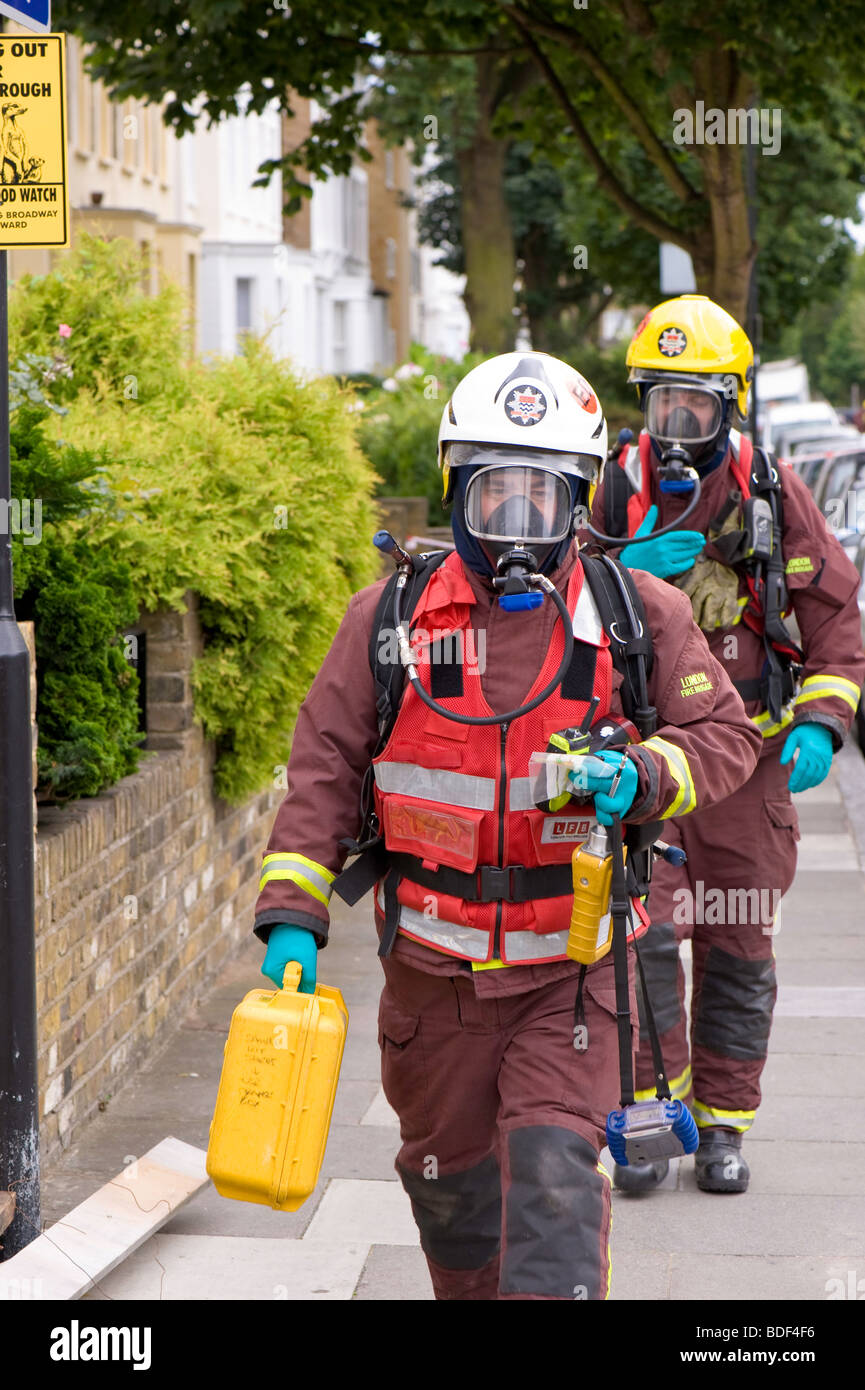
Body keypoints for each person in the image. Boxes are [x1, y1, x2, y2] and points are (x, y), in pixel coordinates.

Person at [252, 351, 762, 1300]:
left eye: (542, 499)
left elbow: (722, 736)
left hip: (569, 981)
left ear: (578, 504)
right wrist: (293, 909)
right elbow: (323, 767)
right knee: (453, 1200)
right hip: (430, 982)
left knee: (554, 1193)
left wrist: (644, 772)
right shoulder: (390, 623)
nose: (517, 526)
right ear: (457, 497)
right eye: (496, 498)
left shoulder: (631, 618)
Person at [591, 295, 865, 1194]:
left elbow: (834, 619)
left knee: (738, 945)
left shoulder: (769, 491)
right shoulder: (610, 487)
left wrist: (824, 721)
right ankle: (650, 1117)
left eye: (694, 406)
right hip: (649, 762)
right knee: (646, 939)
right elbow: (562, 617)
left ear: (728, 404)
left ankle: (721, 1127)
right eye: (661, 403)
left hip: (751, 762)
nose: (675, 426)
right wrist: (624, 567)